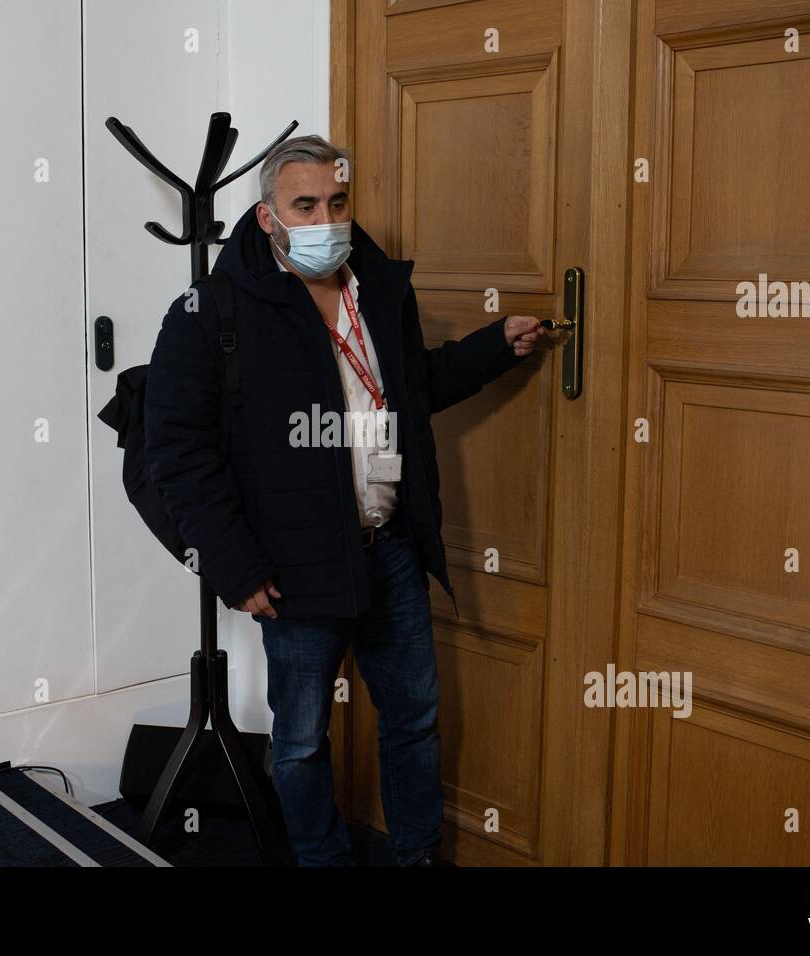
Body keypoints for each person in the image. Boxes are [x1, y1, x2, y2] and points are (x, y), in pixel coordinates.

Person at [143, 134, 541, 866]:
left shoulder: (379, 288)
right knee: (299, 741)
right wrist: (234, 567)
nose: (326, 218)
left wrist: (493, 347)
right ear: (267, 217)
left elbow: (410, 389)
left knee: (413, 722)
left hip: (388, 548)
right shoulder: (213, 310)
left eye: (337, 201)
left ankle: (415, 858)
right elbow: (178, 451)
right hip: (293, 568)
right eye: (305, 205)